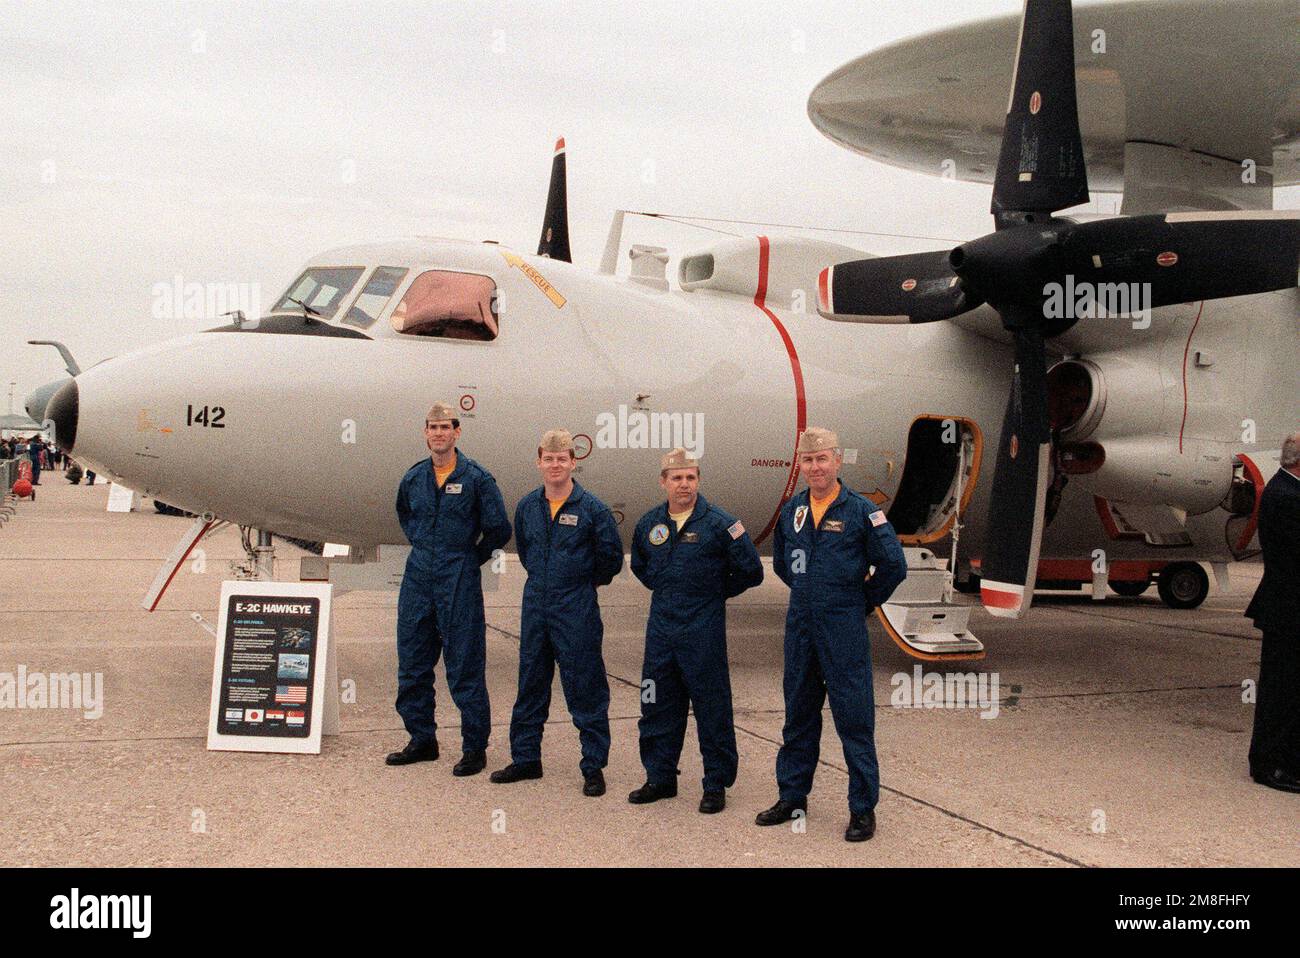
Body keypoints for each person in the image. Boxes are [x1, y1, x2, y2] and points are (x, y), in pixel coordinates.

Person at [757, 427, 908, 842]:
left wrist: (860, 602)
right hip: (801, 627)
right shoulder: (792, 511)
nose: (815, 467)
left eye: (822, 459)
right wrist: (810, 593)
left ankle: (862, 810)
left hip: (844, 628)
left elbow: (893, 566)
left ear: (837, 461)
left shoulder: (862, 511)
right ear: (800, 466)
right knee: (798, 717)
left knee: (854, 722)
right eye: (808, 460)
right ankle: (791, 798)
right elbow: (784, 565)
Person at [628, 447, 764, 814]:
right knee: (657, 704)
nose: (684, 484)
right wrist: (665, 582)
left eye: (690, 477)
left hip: (702, 632)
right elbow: (640, 564)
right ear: (663, 482)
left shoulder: (721, 523)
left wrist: (714, 592)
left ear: (698, 480)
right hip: (661, 630)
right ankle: (660, 778)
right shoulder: (649, 524)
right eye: (676, 478)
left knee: (711, 708)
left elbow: (752, 571)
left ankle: (715, 784)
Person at [491, 429, 624, 796]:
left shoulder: (592, 509)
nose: (555, 465)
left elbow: (610, 560)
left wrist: (580, 585)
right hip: (536, 602)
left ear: (573, 462)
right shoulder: (528, 507)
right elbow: (526, 548)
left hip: (575, 605)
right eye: (548, 459)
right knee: (531, 682)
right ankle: (526, 759)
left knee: (585, 686)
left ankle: (593, 766)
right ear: (539, 462)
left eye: (561, 458)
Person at [387, 402, 511, 775]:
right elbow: (405, 514)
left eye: (445, 427)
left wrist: (470, 559)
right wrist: (425, 543)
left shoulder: (477, 479)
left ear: (457, 432)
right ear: (425, 433)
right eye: (433, 427)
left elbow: (499, 529)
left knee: (464, 666)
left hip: (459, 575)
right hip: (419, 574)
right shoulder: (414, 479)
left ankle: (474, 748)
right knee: (412, 661)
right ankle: (421, 739)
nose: (439, 433)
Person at [1246, 430, 1300, 794]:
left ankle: (1287, 758)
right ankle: (1269, 764)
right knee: (1281, 691)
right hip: (1288, 607)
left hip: (1289, 605)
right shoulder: (1285, 495)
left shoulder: (1290, 490)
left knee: (1290, 690)